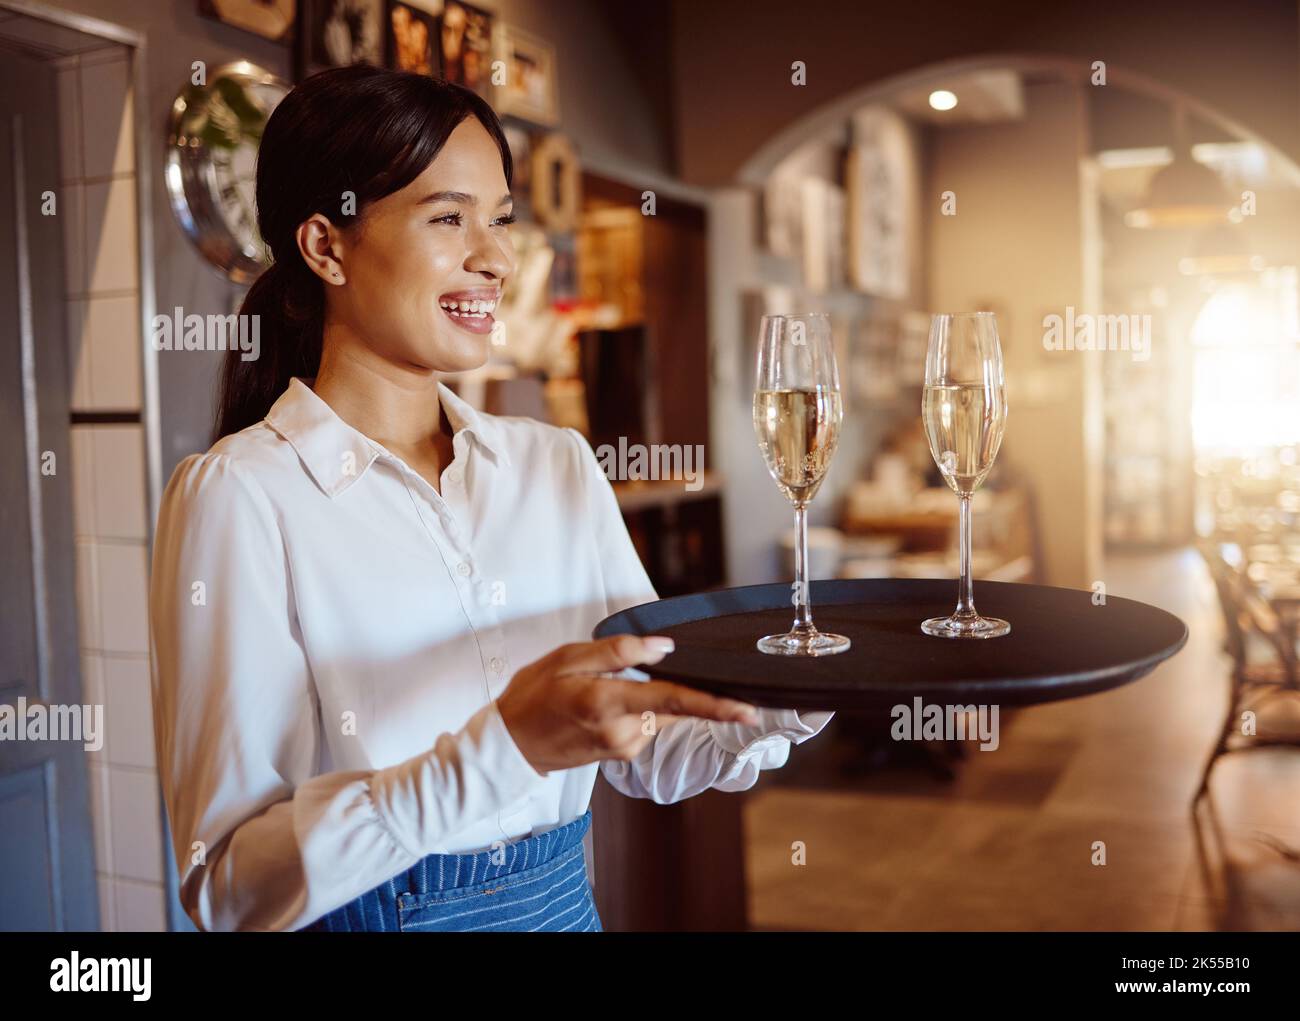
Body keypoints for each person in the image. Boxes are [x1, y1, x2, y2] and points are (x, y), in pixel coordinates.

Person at [148, 64, 834, 933]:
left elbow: (654, 737)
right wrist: (501, 748)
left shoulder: (557, 465)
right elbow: (230, 884)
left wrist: (798, 692)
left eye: (501, 219)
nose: (498, 258)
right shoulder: (241, 495)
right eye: (449, 218)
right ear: (326, 247)